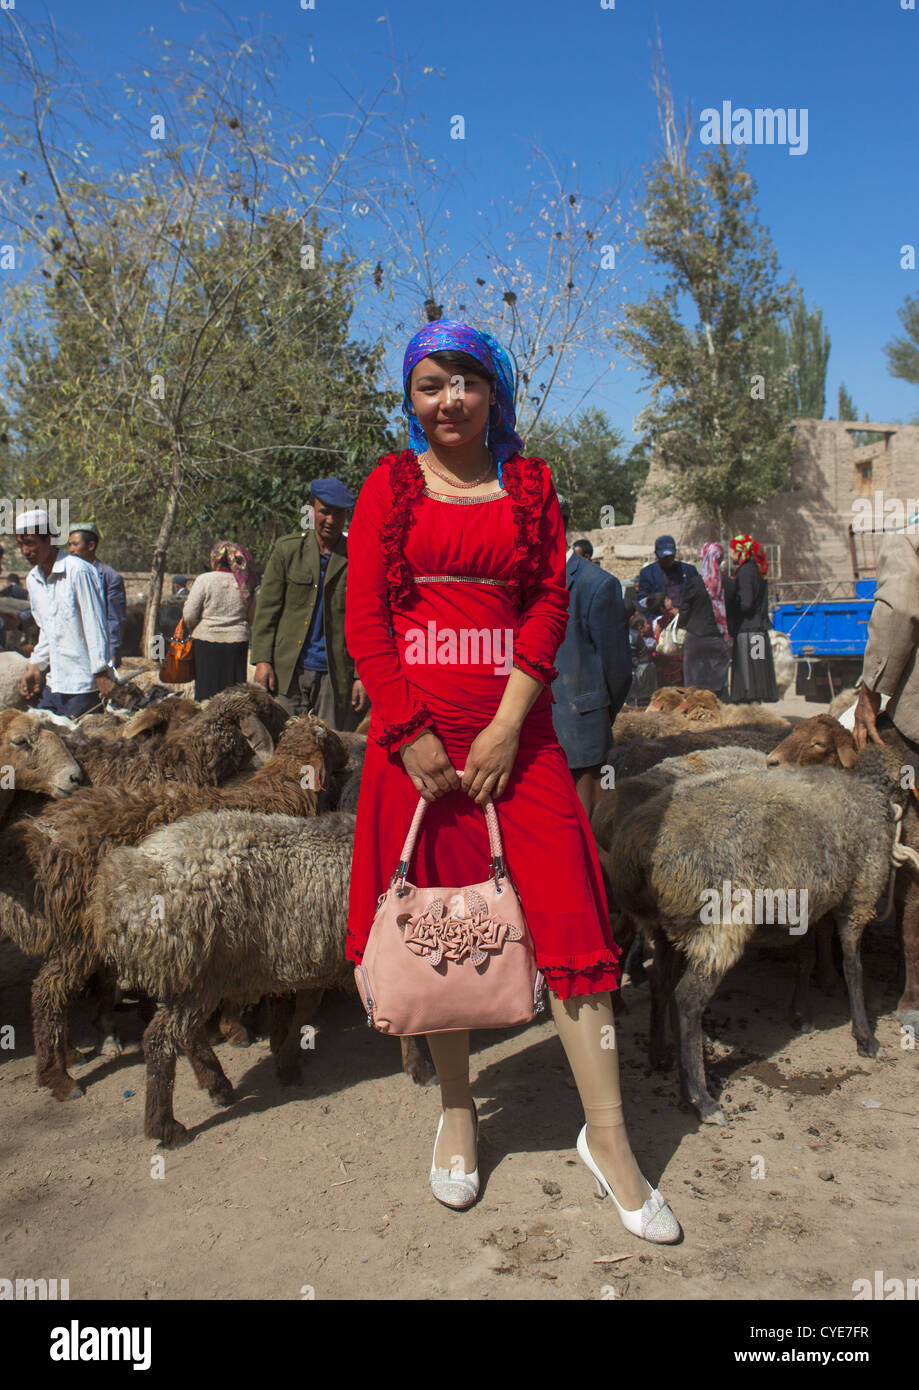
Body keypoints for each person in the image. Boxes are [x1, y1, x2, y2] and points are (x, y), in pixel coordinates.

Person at [344, 318, 681, 1241]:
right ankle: (458, 1113)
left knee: (574, 926)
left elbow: (543, 607)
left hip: (515, 744)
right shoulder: (390, 484)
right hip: (411, 751)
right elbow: (365, 616)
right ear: (410, 399)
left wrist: (503, 724)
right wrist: (408, 730)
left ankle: (608, 1139)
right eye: (428, 385)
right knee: (438, 928)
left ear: (494, 391)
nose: (448, 400)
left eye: (465, 381)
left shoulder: (532, 486)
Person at [250, 479, 367, 729]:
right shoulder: (288, 551)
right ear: (310, 510)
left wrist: (360, 676)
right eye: (324, 511)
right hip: (288, 671)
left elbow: (367, 622)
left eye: (339, 514)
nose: (331, 520)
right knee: (283, 744)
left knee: (326, 746)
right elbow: (267, 612)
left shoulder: (358, 557)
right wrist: (263, 662)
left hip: (334, 676)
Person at [551, 495, 631, 816]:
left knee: (588, 839)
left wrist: (592, 716)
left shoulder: (597, 586)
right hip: (529, 745)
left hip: (580, 746)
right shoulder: (519, 583)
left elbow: (619, 672)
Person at [15, 508, 116, 718]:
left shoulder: (79, 571)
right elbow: (46, 629)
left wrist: (100, 671)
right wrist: (36, 665)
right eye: (21, 544)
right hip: (55, 683)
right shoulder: (33, 579)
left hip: (84, 685)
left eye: (30, 543)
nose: (25, 551)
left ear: (50, 540)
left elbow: (95, 624)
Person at [182, 541, 257, 701]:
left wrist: (194, 627)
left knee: (206, 694)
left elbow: (189, 615)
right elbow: (252, 617)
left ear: (215, 559)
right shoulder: (245, 583)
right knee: (234, 697)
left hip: (206, 644)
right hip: (236, 645)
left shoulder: (204, 580)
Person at [724, 533, 778, 703]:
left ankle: (751, 713)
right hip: (759, 633)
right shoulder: (757, 570)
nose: (731, 555)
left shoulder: (746, 572)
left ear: (740, 552)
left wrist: (731, 598)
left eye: (733, 551)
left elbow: (745, 604)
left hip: (748, 634)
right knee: (759, 675)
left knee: (749, 680)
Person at [67, 523, 127, 666]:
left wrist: (112, 652)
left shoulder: (110, 577)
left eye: (75, 545)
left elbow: (115, 619)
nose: (71, 550)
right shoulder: (66, 574)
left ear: (91, 546)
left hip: (98, 651)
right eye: (69, 545)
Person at [677, 541, 731, 697]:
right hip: (717, 639)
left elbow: (685, 610)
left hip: (695, 640)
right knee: (717, 688)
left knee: (694, 689)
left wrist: (681, 626)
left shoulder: (694, 583)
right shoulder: (726, 583)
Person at [637, 535, 698, 609]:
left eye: (671, 556)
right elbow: (642, 600)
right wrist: (660, 603)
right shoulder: (647, 573)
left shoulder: (689, 570)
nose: (668, 559)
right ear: (656, 554)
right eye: (664, 557)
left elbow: (697, 593)